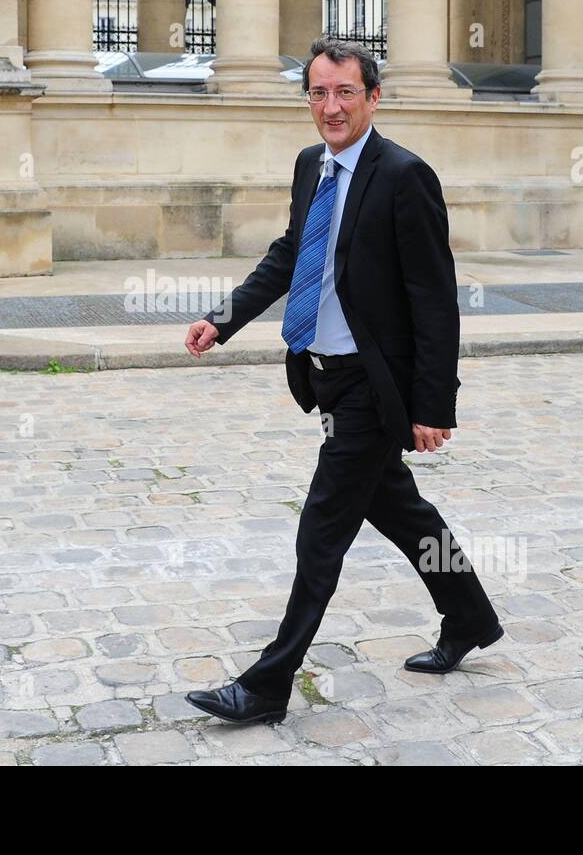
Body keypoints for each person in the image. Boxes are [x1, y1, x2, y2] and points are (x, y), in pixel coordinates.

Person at [182, 37, 501, 725]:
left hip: (372, 386)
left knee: (321, 528)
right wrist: (224, 316)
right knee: (400, 510)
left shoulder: (404, 176)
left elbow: (433, 298)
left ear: (373, 97)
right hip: (326, 377)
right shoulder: (311, 166)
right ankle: (470, 614)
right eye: (319, 93)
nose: (331, 106)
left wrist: (432, 403)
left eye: (345, 92)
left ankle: (267, 685)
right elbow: (292, 251)